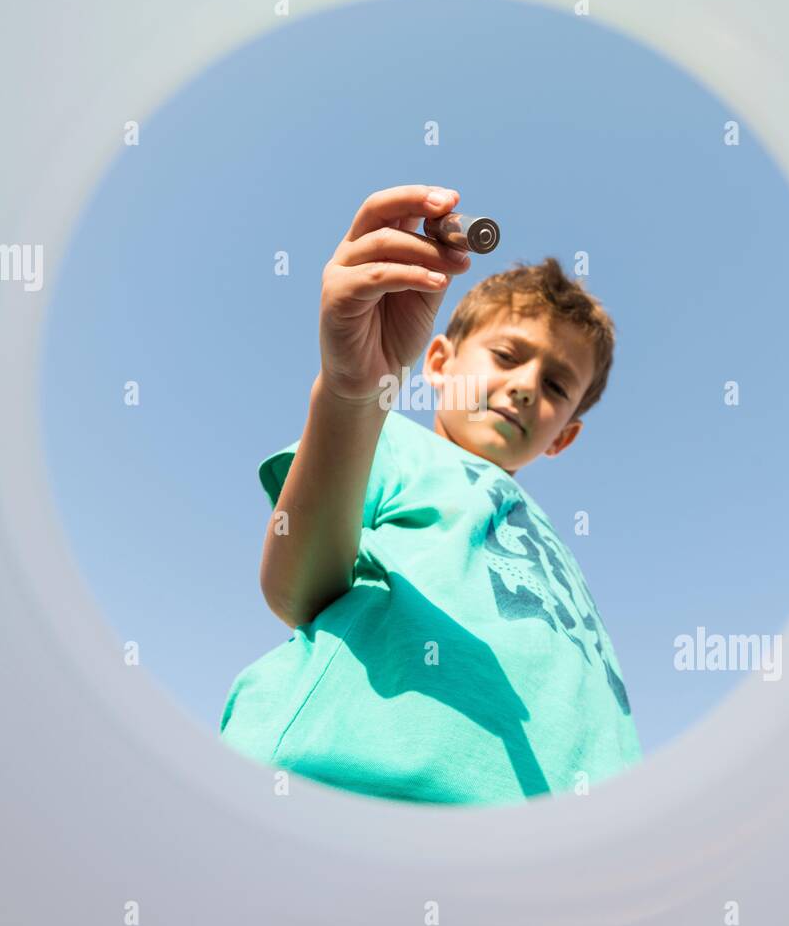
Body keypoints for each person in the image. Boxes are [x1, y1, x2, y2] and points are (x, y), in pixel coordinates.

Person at [219, 185, 643, 806]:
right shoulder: (387, 439)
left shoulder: (551, 545)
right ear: (440, 361)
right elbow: (296, 586)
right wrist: (354, 393)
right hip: (350, 802)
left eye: (556, 384)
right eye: (506, 355)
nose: (526, 386)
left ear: (565, 436)